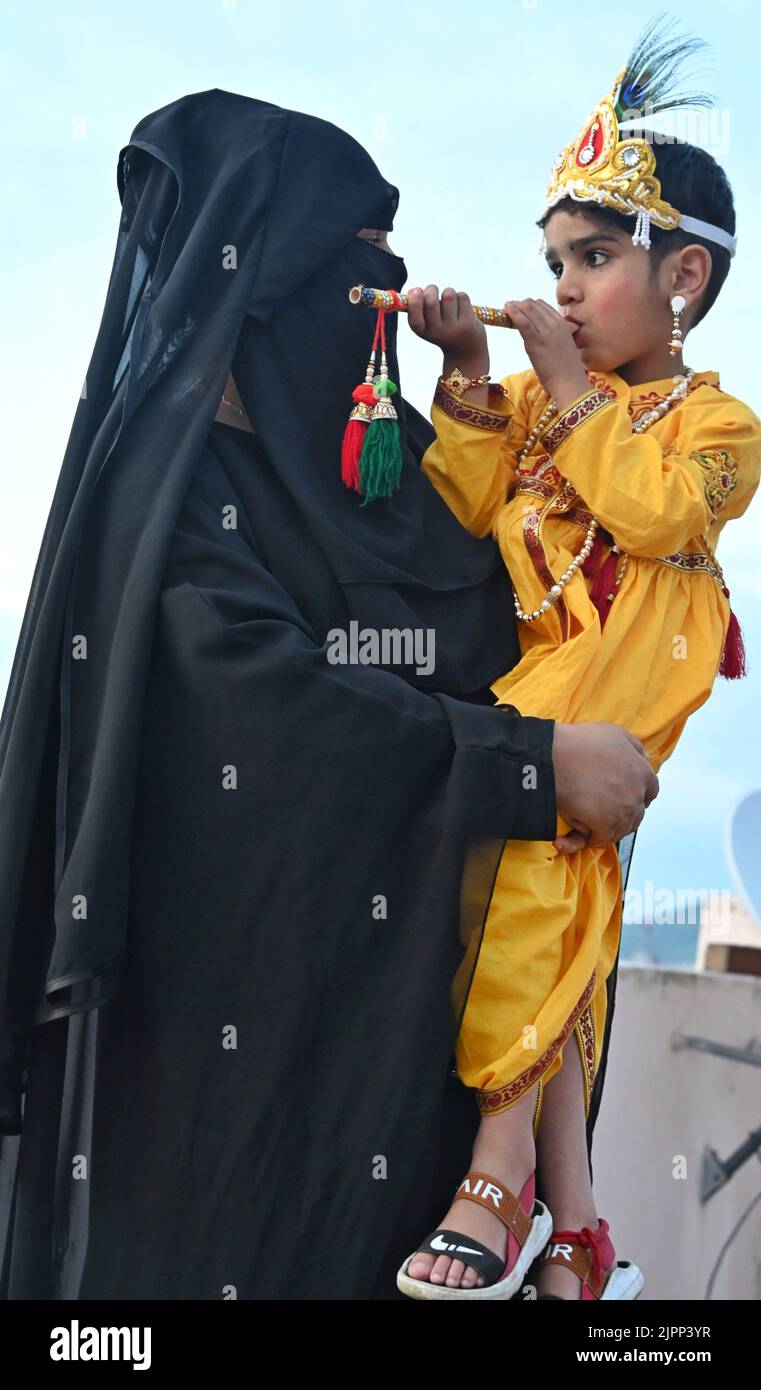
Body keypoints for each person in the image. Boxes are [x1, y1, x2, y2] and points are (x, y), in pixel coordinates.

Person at [0, 88, 656, 1301]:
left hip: (402, 1108)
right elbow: (266, 707)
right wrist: (530, 764)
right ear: (274, 278)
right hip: (207, 1123)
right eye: (360, 258)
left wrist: (509, 403)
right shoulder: (169, 503)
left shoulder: (371, 458)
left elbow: (488, 609)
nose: (389, 287)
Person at [398, 15, 761, 1301]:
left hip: (611, 692)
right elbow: (460, 511)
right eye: (549, 262)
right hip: (547, 692)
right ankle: (582, 1217)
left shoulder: (718, 425)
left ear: (683, 282)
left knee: (527, 882)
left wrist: (569, 394)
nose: (557, 288)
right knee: (567, 919)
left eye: (593, 258)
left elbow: (660, 513)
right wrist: (468, 372)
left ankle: (494, 1167)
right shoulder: (552, 413)